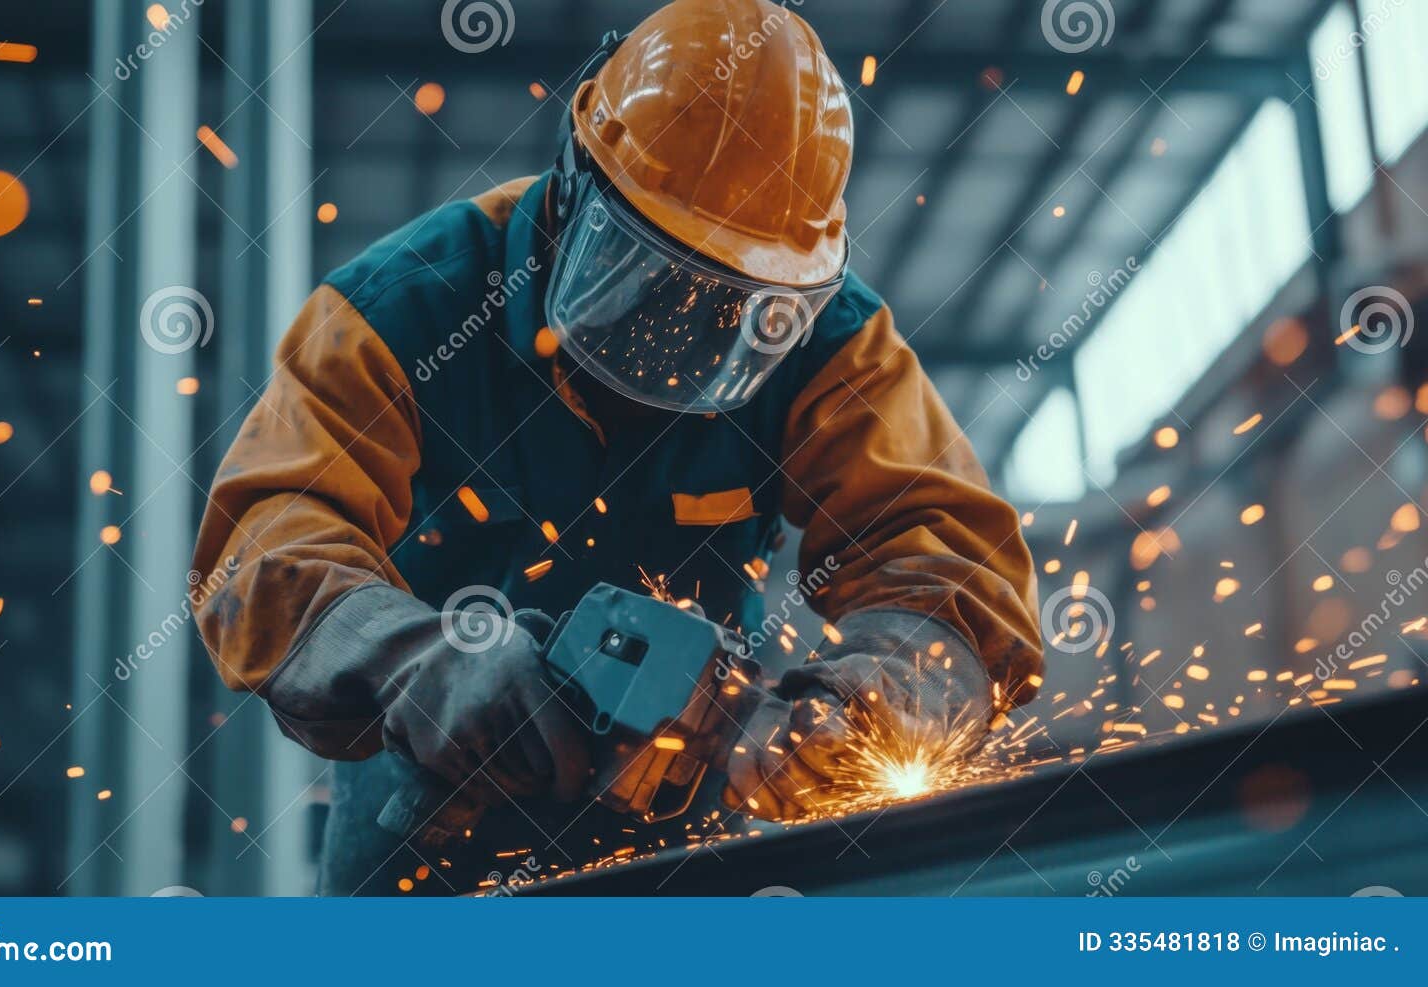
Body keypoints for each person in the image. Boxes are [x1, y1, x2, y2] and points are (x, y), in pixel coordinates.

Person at [191, 0, 1042, 895]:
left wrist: (868, 705)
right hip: (431, 801)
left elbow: (945, 557)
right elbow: (264, 539)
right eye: (644, 274)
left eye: (730, 312)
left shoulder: (836, 345)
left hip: (688, 810)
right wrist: (417, 661)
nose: (676, 342)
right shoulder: (401, 307)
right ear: (573, 179)